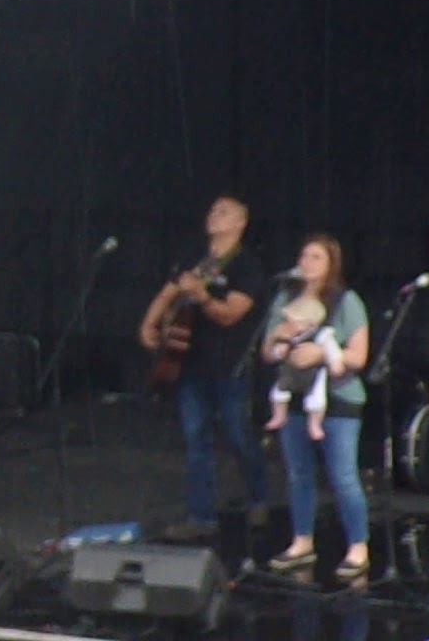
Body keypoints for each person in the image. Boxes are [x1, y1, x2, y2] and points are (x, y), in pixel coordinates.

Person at [137, 195, 269, 540]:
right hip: (190, 361)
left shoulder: (246, 266)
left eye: (223, 212)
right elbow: (169, 291)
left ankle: (259, 496)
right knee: (196, 439)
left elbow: (230, 315)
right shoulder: (197, 258)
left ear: (241, 222)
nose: (214, 215)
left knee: (238, 436)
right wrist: (149, 324)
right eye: (212, 210)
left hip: (229, 365)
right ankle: (201, 515)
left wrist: (203, 296)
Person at [262, 233, 370, 580]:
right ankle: (302, 541)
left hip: (336, 398)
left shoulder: (346, 302)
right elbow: (266, 350)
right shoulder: (285, 298)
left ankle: (358, 547)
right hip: (294, 395)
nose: (307, 263)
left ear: (330, 265)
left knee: (342, 475)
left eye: (316, 257)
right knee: (298, 474)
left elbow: (358, 355)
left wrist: (322, 353)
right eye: (304, 256)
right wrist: (280, 342)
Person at [263, 294, 344, 441]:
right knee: (278, 391)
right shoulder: (288, 336)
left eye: (294, 321)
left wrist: (335, 363)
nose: (289, 324)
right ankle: (279, 415)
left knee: (316, 399)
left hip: (313, 373)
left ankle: (314, 424)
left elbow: (332, 351)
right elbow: (275, 353)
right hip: (290, 371)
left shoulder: (322, 335)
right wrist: (278, 351)